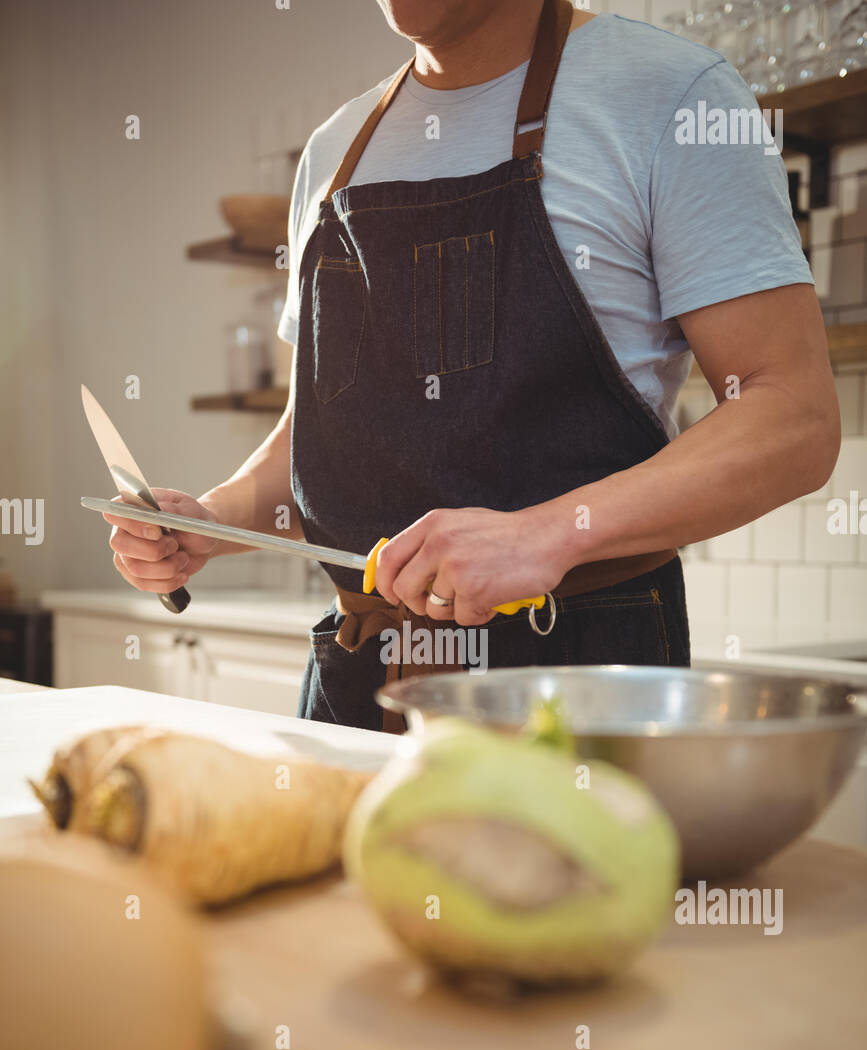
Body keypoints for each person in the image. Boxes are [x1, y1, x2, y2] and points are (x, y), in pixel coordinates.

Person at [104, 0, 839, 731]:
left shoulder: (673, 96)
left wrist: (548, 534)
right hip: (362, 680)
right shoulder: (333, 155)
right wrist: (216, 519)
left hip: (576, 684)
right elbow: (321, 441)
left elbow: (792, 415)